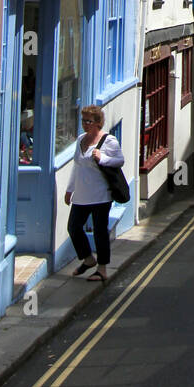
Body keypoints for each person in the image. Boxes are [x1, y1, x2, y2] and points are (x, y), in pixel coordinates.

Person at [65, 105, 124, 282]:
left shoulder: (109, 141)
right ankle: (88, 259)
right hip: (82, 195)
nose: (84, 124)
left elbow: (120, 161)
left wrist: (102, 158)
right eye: (83, 121)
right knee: (73, 228)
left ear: (98, 123)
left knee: (100, 232)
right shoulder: (81, 140)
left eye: (88, 121)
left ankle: (102, 269)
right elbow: (77, 166)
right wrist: (69, 190)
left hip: (100, 195)